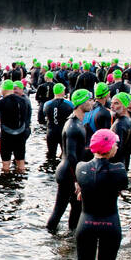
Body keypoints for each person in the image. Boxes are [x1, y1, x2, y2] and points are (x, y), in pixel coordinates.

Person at [74, 129, 130, 260]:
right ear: (109, 148)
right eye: (115, 144)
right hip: (110, 223)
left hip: (86, 223)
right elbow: (121, 187)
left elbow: (83, 187)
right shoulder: (119, 169)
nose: (117, 146)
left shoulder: (80, 167)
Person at [47, 89, 92, 233]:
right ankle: (50, 234)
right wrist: (77, 180)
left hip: (70, 171)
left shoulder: (77, 122)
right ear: (81, 103)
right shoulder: (73, 126)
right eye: (89, 100)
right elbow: (72, 156)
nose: (92, 102)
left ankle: (71, 237)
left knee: (77, 206)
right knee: (59, 209)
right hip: (68, 173)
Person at [0, 80, 32, 173]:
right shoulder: (23, 101)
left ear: (3, 89)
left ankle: (6, 182)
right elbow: (25, 119)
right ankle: (21, 182)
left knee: (6, 164)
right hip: (20, 135)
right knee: (21, 162)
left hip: (6, 136)